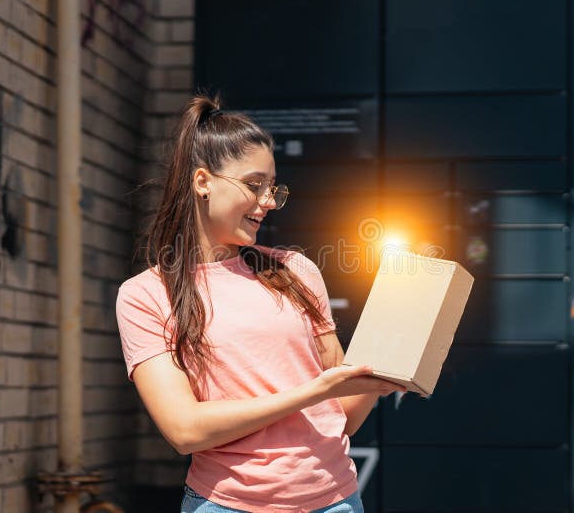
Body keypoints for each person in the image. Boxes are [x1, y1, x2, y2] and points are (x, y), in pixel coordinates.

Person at [115, 93, 405, 513]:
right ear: (202, 182)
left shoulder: (297, 271)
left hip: (336, 502)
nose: (268, 202)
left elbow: (341, 415)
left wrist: (383, 373)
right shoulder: (145, 294)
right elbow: (184, 430)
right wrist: (313, 391)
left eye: (273, 188)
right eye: (254, 186)